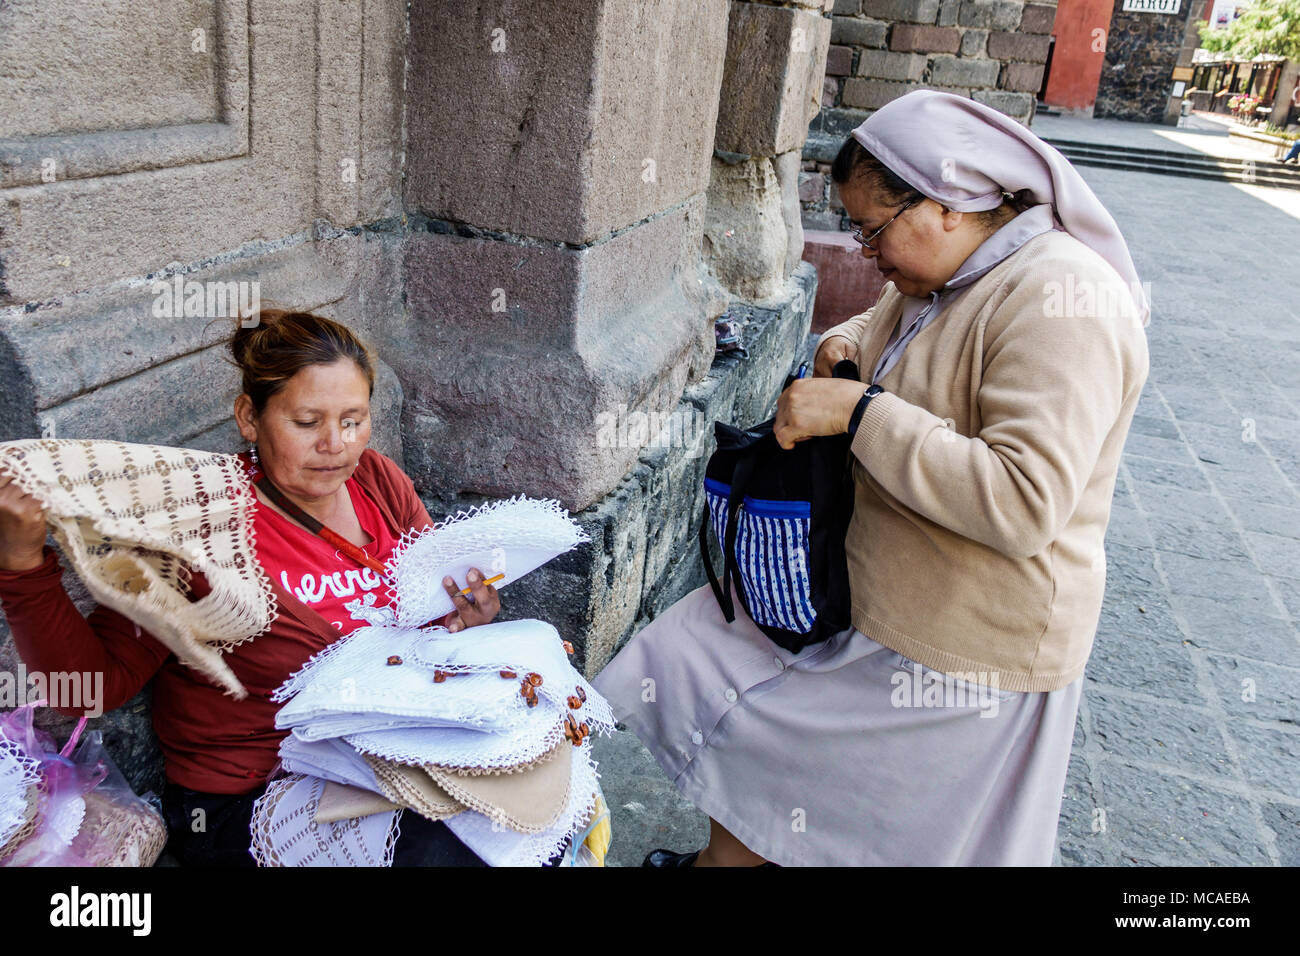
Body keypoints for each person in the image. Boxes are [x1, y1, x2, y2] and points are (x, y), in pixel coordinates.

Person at [593, 90, 1150, 866]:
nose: (864, 250)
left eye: (872, 228)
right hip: (870, 598)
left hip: (962, 649)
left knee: (864, 817)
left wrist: (862, 412)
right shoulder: (948, 272)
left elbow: (1025, 501)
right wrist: (844, 345)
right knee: (709, 671)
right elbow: (890, 320)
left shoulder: (1060, 300)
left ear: (948, 203)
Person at [0, 309, 502, 866]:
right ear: (249, 417)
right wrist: (23, 566)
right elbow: (92, 688)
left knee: (525, 811)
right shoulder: (199, 527)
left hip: (386, 754)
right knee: (446, 857)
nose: (335, 444)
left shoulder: (376, 481)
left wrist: (461, 616)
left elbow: (425, 608)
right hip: (253, 795)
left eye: (354, 419)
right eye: (307, 422)